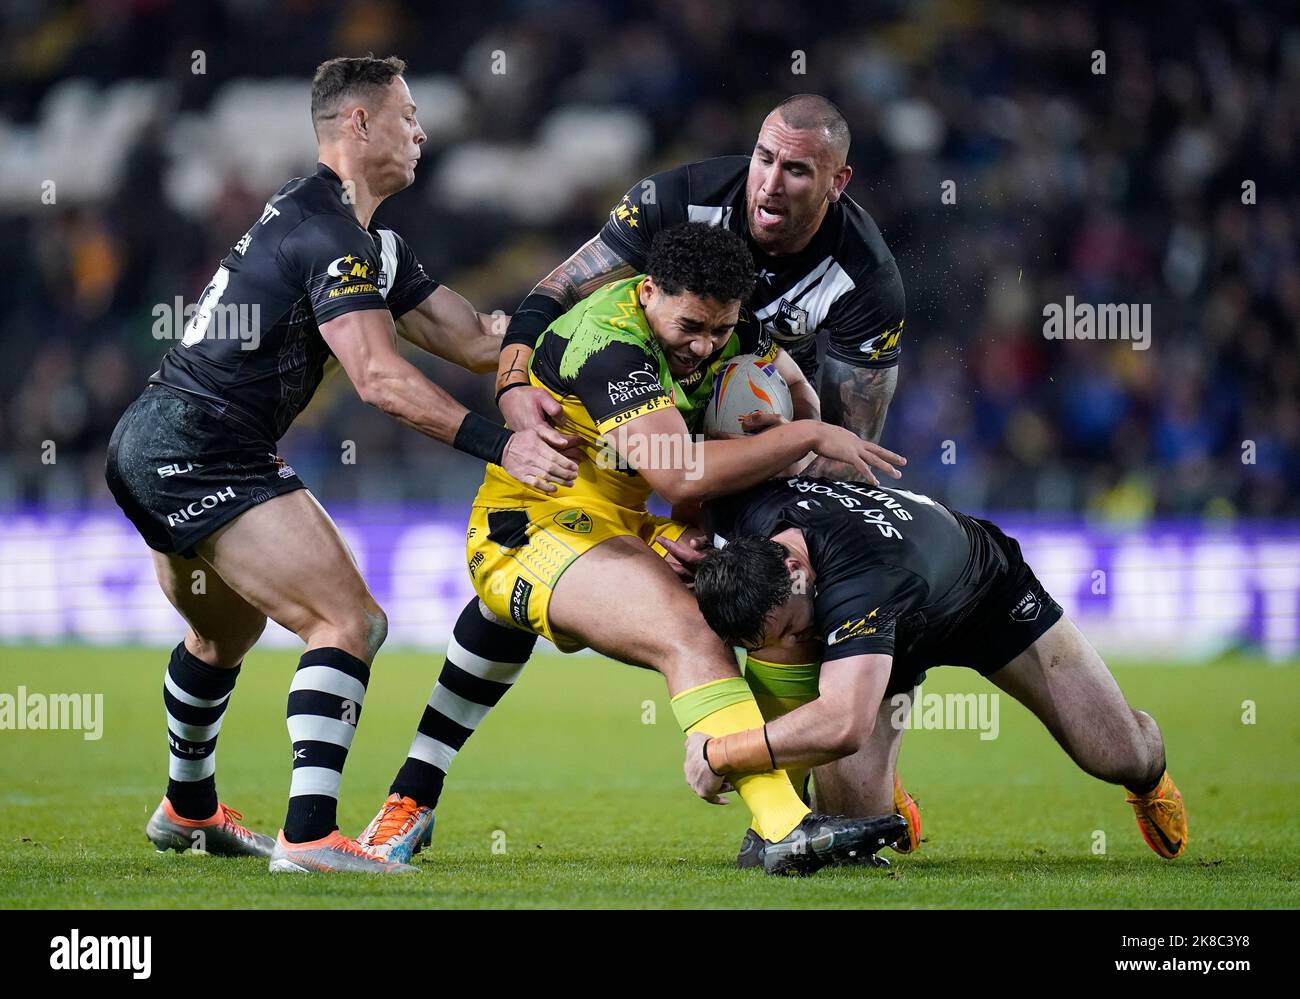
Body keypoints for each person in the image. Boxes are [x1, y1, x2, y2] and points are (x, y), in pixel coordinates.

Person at [104, 55, 578, 875]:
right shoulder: (327, 234)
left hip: (153, 444)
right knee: (350, 623)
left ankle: (187, 805)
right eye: (408, 113)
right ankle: (311, 834)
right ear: (359, 125)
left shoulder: (360, 240)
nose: (423, 130)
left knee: (224, 633)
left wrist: (589, 331)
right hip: (203, 447)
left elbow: (473, 339)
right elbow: (380, 380)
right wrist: (505, 444)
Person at [359, 222, 908, 875]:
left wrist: (694, 514)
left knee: (765, 608)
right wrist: (803, 437)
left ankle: (412, 796)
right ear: (647, 293)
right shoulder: (611, 346)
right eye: (689, 328)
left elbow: (779, 376)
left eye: (719, 330)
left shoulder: (727, 328)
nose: (703, 347)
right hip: (532, 522)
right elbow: (678, 469)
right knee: (689, 633)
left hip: (621, 523)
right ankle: (786, 826)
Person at [682, 475, 1189, 868]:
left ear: (796, 569)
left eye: (792, 628)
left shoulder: (862, 579)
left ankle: (1149, 780)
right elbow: (702, 476)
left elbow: (841, 725)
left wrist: (722, 753)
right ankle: (885, 775)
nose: (796, 645)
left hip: (986, 599)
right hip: (879, 629)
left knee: (1114, 753)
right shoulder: (751, 522)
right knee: (854, 834)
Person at [495, 94, 905, 476]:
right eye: (764, 159)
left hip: (760, 399)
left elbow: (850, 446)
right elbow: (558, 291)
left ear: (837, 181)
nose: (770, 185)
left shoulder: (867, 280)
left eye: (796, 170)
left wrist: (787, 465)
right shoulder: (674, 199)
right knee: (489, 333)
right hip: (639, 377)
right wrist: (511, 386)